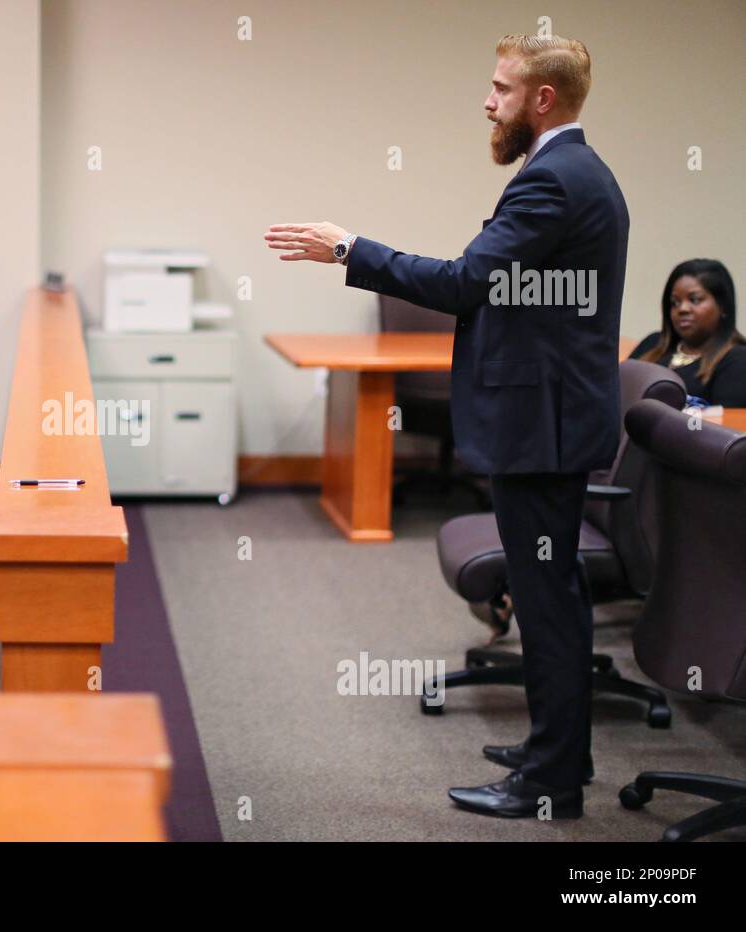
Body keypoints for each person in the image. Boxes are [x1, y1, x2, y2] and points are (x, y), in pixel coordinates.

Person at [266, 34, 625, 818]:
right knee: (549, 596)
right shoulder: (569, 170)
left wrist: (349, 249)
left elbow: (467, 283)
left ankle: (551, 784)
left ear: (543, 100)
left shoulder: (556, 181)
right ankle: (557, 753)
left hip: (544, 427)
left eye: (500, 88)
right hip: (548, 418)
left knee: (548, 600)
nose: (487, 101)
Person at [629, 259, 746, 406]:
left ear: (723, 306)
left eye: (694, 300)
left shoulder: (737, 360)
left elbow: (725, 424)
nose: (682, 309)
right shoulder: (653, 343)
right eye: (675, 302)